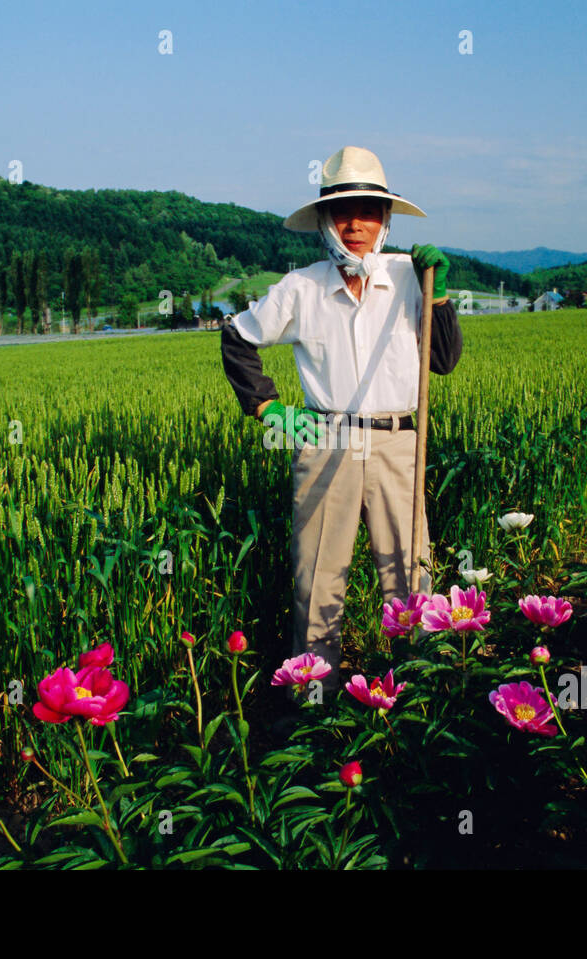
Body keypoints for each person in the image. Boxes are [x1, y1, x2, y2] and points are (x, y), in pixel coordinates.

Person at [220, 145, 463, 706]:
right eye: (342, 211)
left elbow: (444, 361)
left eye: (369, 210)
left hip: (399, 442)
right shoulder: (300, 287)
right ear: (326, 221)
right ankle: (311, 711)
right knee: (316, 579)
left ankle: (417, 701)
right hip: (325, 442)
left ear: (385, 219)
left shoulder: (411, 275)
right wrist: (269, 408)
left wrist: (440, 294)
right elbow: (237, 336)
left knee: (408, 575)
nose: (355, 223)